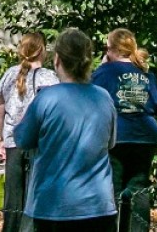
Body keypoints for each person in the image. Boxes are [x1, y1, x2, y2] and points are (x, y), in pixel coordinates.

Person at [16, 28, 116, 232]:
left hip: (54, 206)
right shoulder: (104, 97)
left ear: (57, 59)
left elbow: (23, 139)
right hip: (98, 205)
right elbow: (111, 143)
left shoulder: (46, 99)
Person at [92, 29, 157, 232]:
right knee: (138, 189)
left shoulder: (105, 72)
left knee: (112, 190)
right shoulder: (145, 73)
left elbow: (90, 97)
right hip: (145, 136)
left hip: (118, 136)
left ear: (110, 48)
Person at [0, 31, 59, 232]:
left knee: (13, 198)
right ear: (42, 51)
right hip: (39, 144)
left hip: (13, 141)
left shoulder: (9, 74)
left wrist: (2, 137)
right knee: (35, 195)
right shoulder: (49, 77)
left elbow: (0, 109)